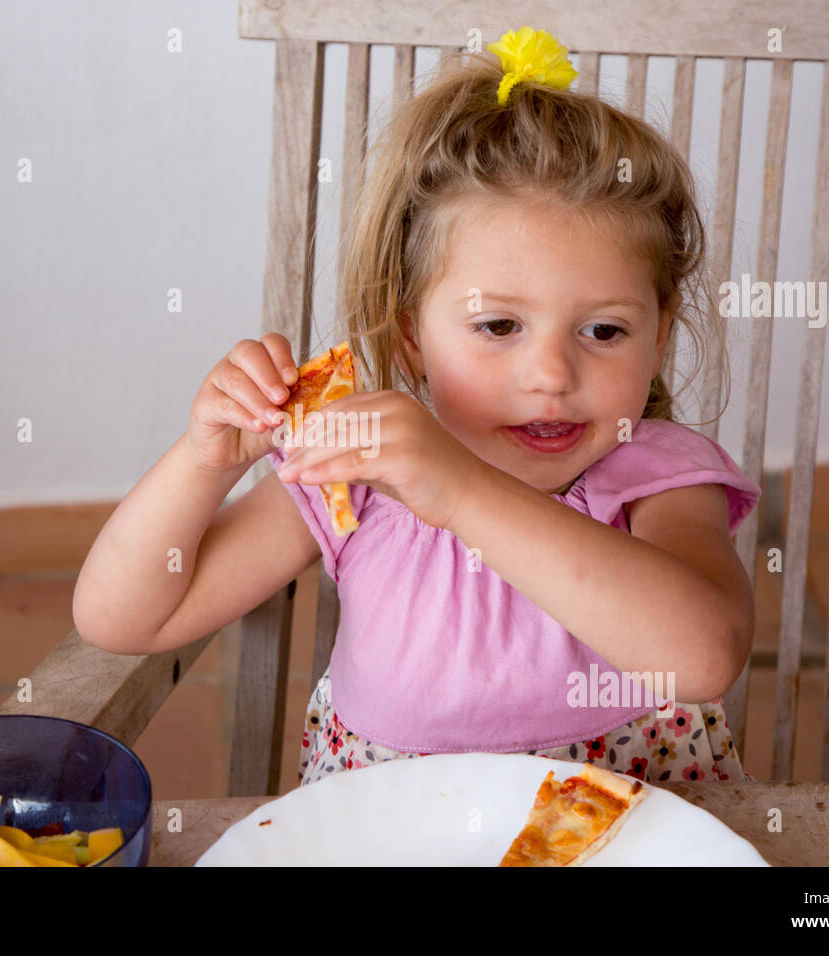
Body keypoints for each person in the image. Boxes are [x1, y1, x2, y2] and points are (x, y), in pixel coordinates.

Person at [72, 27, 760, 790]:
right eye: (498, 326)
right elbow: (123, 620)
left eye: (604, 331)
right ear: (410, 337)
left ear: (659, 341)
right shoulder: (359, 473)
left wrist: (459, 491)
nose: (552, 374)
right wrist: (199, 462)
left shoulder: (655, 477)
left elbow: (702, 657)